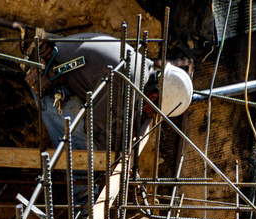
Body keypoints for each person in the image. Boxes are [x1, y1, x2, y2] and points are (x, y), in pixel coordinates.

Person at [25, 32, 193, 157]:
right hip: (50, 85)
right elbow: (96, 125)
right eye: (154, 111)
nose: (149, 115)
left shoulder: (142, 68)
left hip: (64, 79)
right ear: (154, 97)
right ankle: (82, 203)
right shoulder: (128, 83)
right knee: (82, 154)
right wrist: (114, 156)